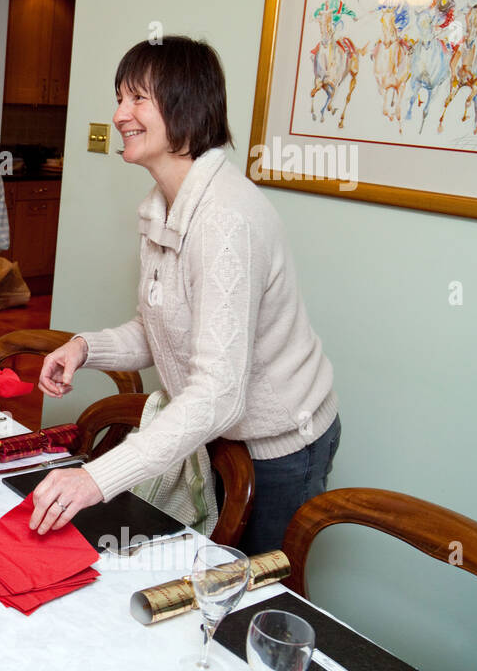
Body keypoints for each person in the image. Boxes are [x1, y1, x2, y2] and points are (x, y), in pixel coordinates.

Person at [30, 36, 340, 554]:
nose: (119, 113)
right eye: (119, 97)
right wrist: (85, 348)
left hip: (280, 447)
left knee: (253, 598)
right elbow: (161, 328)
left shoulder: (225, 220)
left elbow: (219, 394)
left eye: (136, 99)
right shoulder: (160, 206)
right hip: (216, 434)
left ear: (186, 108)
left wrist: (98, 478)